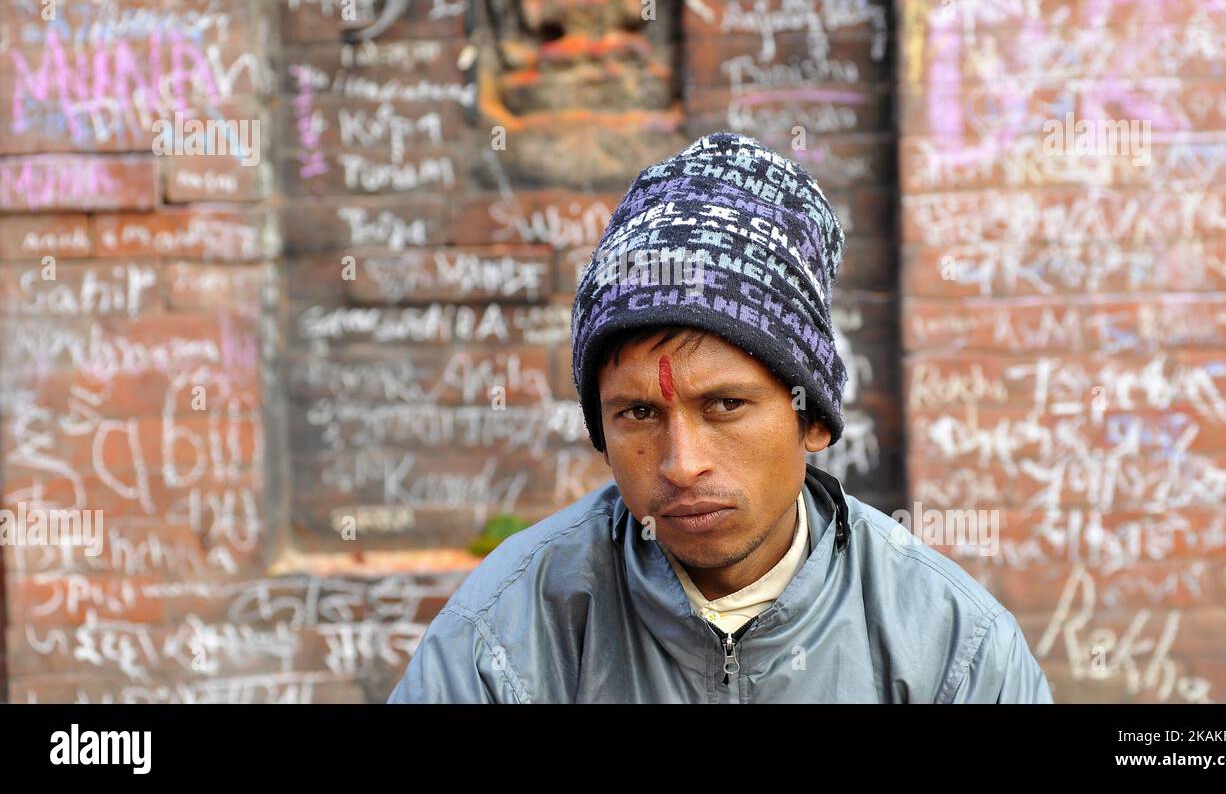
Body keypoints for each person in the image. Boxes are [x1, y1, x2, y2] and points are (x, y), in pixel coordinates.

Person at [388, 131, 1054, 703]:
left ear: (812, 418)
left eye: (726, 405)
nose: (681, 462)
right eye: (638, 412)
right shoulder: (507, 633)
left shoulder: (951, 645)